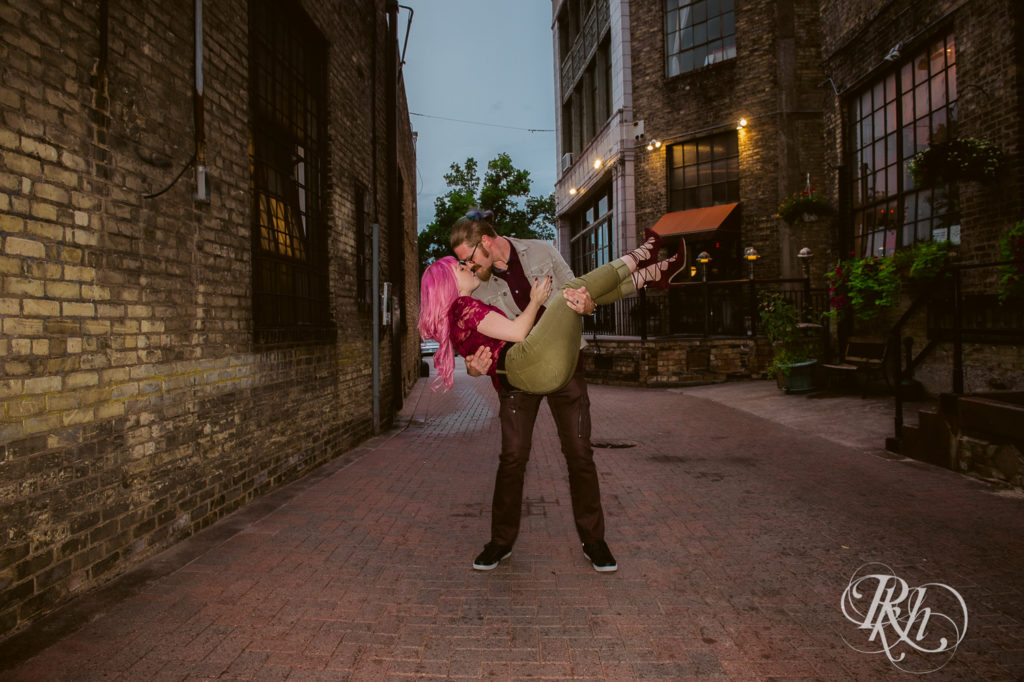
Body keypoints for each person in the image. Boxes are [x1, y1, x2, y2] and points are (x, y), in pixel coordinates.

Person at [420, 210, 684, 572]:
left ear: (486, 242)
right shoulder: (475, 284)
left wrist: (588, 305)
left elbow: (581, 291)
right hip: (518, 377)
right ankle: (500, 542)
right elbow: (474, 333)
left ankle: (594, 540)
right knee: (512, 459)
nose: (469, 266)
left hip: (565, 363)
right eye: (463, 264)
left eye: (469, 258)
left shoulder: (541, 251)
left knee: (579, 453)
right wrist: (474, 365)